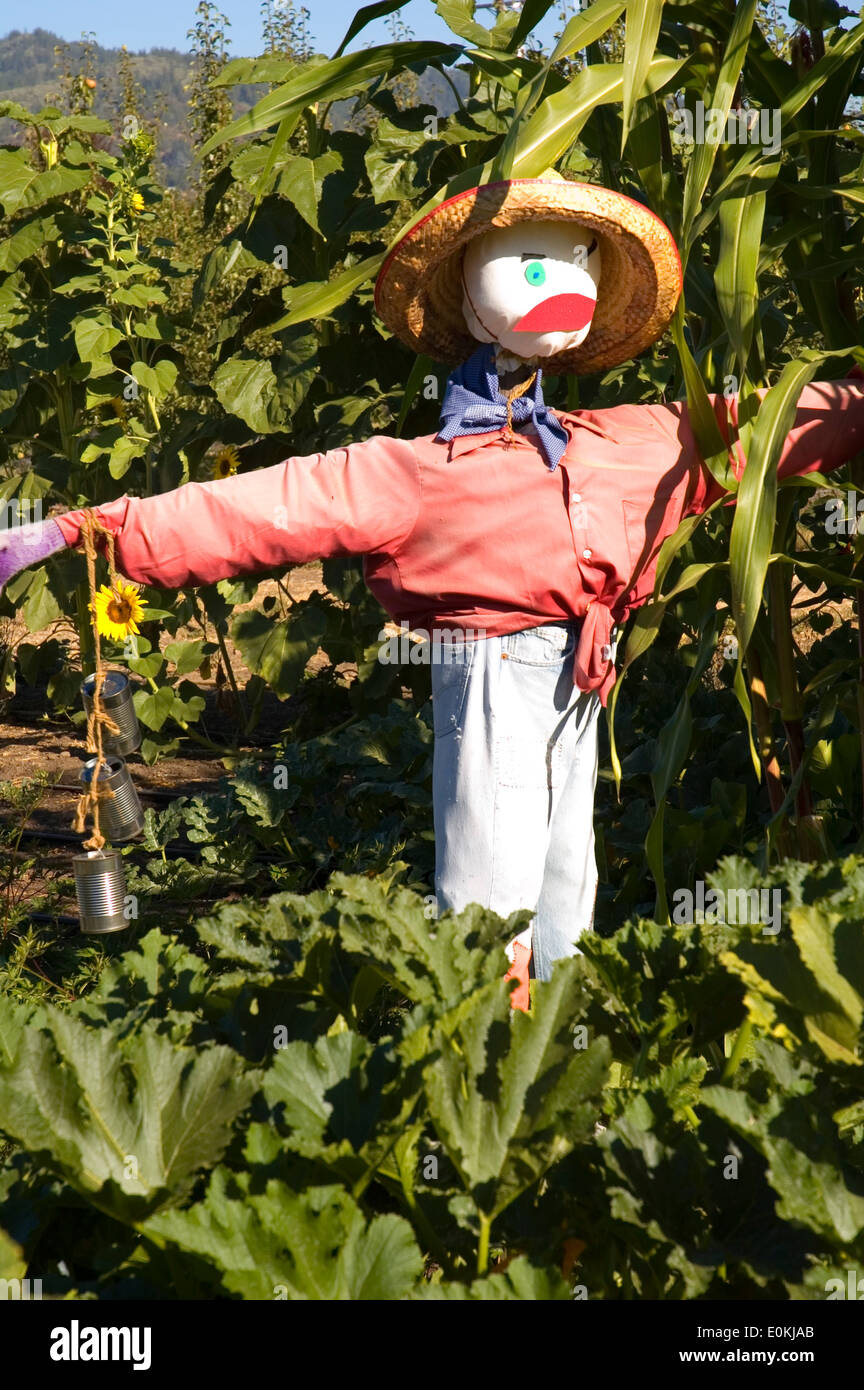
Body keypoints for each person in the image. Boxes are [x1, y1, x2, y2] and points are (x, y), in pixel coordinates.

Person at [4, 170, 864, 1010]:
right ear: (471, 290)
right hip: (489, 675)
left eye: (578, 265)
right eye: (533, 265)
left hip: (584, 683)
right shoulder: (414, 473)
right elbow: (265, 506)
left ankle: (558, 1057)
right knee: (491, 888)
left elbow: (767, 421)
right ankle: (477, 1067)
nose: (563, 286)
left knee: (570, 876)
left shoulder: (628, 441)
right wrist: (88, 528)